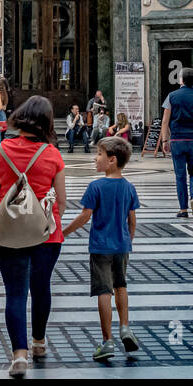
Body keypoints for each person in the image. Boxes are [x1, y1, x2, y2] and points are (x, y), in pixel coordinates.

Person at [0, 95, 68, 377]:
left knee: (15, 292)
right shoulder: (52, 154)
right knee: (41, 286)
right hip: (46, 232)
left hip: (9, 231)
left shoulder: (0, 150)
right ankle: (38, 342)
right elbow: (62, 200)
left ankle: (18, 356)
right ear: (46, 123)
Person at [63, 136, 140, 361]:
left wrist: (63, 232)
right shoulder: (129, 187)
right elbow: (132, 219)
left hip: (100, 247)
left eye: (99, 154)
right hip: (122, 247)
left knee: (103, 291)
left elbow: (85, 216)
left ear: (112, 160)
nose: (95, 158)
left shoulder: (96, 186)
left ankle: (107, 341)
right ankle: (125, 327)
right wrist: (128, 240)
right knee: (121, 285)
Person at [160, 68, 193, 218]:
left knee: (180, 175)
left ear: (181, 79)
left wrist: (164, 140)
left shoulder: (172, 96)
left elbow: (164, 121)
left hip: (177, 139)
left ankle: (183, 209)